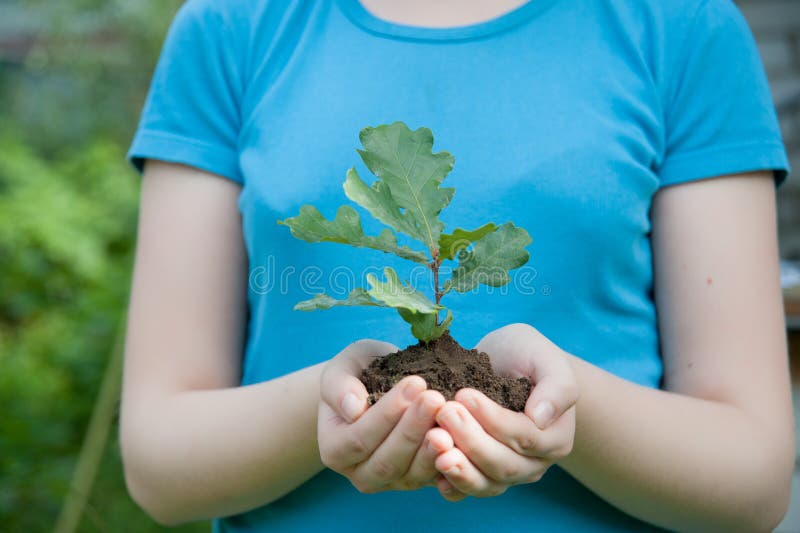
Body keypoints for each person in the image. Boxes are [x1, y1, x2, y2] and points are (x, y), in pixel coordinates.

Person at [120, 0, 795, 531]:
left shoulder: (683, 25)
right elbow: (159, 465)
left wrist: (566, 410)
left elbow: (756, 482)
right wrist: (331, 405)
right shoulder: (231, 26)